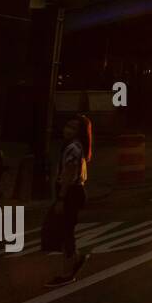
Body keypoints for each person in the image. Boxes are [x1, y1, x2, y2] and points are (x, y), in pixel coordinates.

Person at [47, 115, 91, 287]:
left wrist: (61, 198)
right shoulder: (73, 146)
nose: (68, 130)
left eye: (73, 128)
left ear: (79, 132)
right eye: (67, 126)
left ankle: (67, 272)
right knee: (62, 231)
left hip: (70, 192)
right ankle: (75, 260)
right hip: (72, 191)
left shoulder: (73, 148)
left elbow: (69, 175)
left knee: (65, 232)